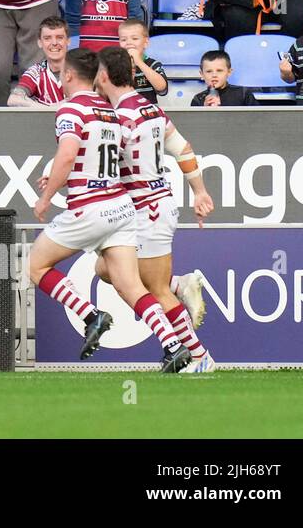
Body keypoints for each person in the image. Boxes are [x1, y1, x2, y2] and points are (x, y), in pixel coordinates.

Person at [27, 47, 192, 372]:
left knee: (35, 266)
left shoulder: (70, 110)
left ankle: (91, 315)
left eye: (62, 73)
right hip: (121, 207)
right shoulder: (109, 110)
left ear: (70, 75)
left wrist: (46, 197)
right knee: (130, 284)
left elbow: (69, 153)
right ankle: (173, 347)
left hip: (89, 207)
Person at [93, 45, 217, 372]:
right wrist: (199, 191)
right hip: (147, 207)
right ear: (132, 74)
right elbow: (183, 149)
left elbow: (101, 167)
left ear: (103, 76)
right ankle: (181, 284)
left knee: (155, 290)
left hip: (147, 210)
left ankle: (200, 358)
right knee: (106, 270)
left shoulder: (120, 119)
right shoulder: (151, 110)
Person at [9, 15, 70, 107]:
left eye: (59, 37)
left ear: (68, 41)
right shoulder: (35, 71)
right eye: (47, 38)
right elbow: (13, 99)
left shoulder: (79, 69)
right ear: (40, 43)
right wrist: (44, 109)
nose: (54, 43)